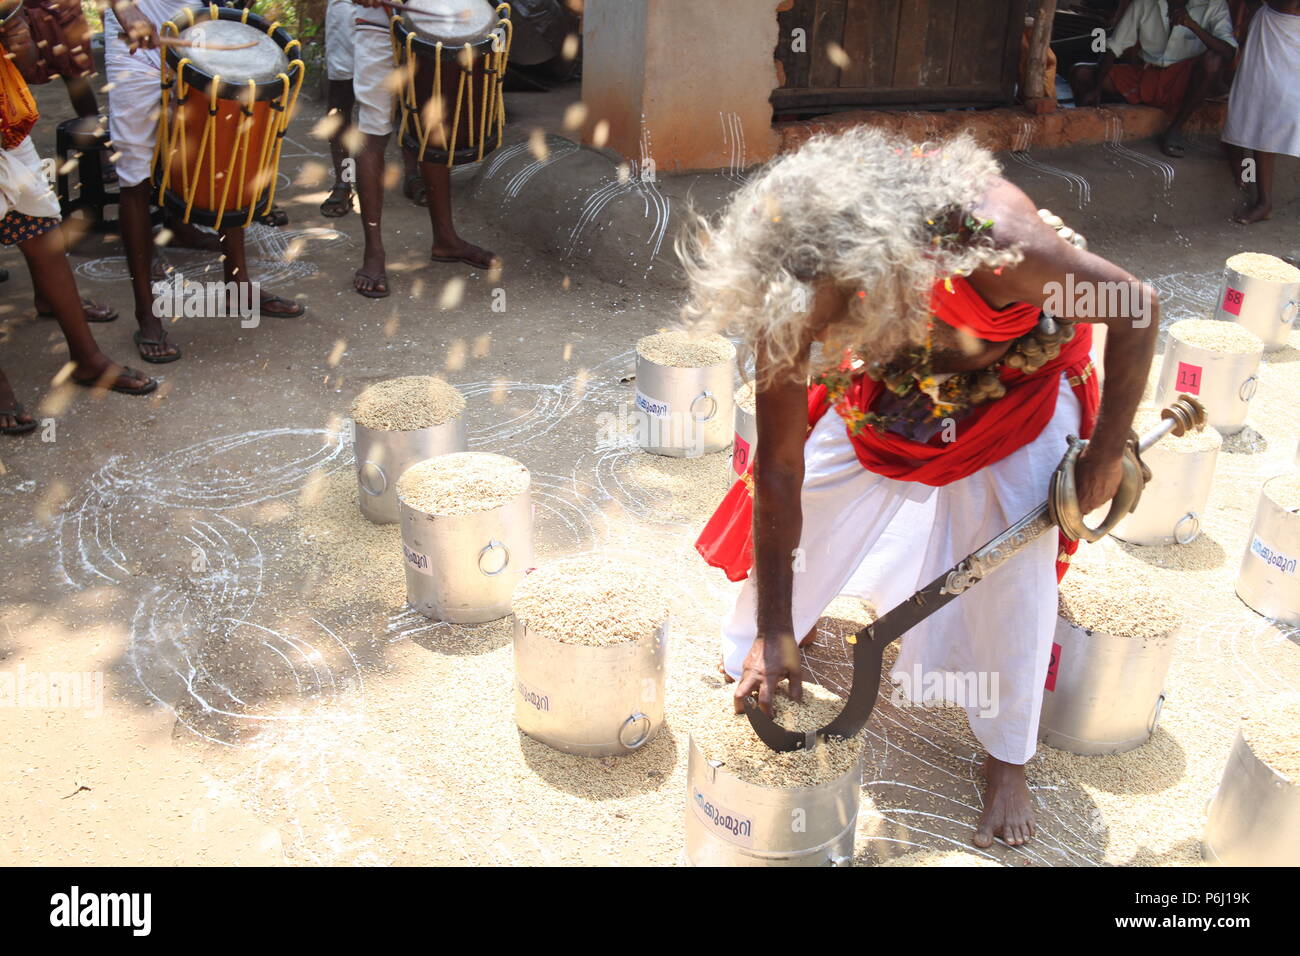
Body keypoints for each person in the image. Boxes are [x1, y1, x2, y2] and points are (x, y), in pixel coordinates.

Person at [684, 128, 1157, 848]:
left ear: (895, 271)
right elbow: (779, 468)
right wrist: (777, 629)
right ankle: (766, 646)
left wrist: (1106, 452)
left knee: (1010, 554)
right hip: (892, 388)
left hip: (1015, 389)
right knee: (820, 492)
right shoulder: (799, 284)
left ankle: (1007, 756)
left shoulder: (1001, 250)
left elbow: (1136, 306)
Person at [105, 0, 305, 365]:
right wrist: (125, 9)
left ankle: (238, 284)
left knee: (228, 152)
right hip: (137, 36)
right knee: (134, 177)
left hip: (199, 26)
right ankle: (147, 314)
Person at [0, 11, 155, 435]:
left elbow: (30, 69)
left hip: (7, 130)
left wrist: (19, 39)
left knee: (42, 235)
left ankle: (87, 358)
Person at [350, 0, 497, 298]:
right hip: (379, 23)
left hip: (440, 21)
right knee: (373, 132)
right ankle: (374, 253)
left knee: (436, 128)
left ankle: (445, 239)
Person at [1071, 0, 1238, 157]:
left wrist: (1192, 25)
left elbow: (1229, 51)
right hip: (1147, 75)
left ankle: (1175, 128)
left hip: (1184, 81)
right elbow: (1114, 46)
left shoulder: (1214, 4)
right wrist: (1097, 86)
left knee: (1213, 59)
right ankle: (1090, 129)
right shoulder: (1145, 2)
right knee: (1080, 73)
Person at [1222, 0, 1300, 224]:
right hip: (1266, 36)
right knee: (1249, 119)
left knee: (1275, 121)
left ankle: (1262, 199)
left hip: (1287, 44)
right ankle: (1249, 182)